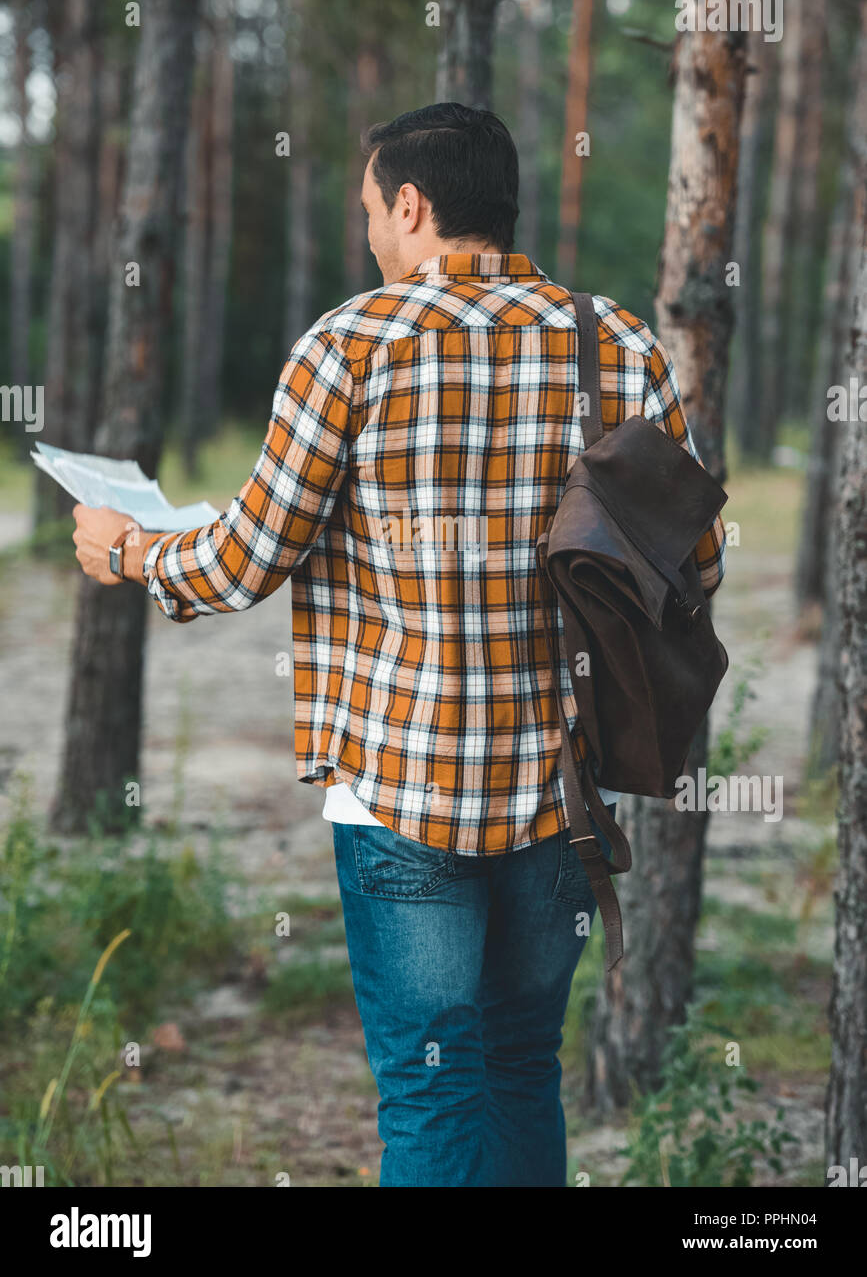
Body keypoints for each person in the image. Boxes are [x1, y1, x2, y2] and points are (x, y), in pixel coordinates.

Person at [72, 101, 726, 1187]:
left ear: (412, 204)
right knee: (522, 1067)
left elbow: (244, 558)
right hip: (562, 789)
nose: (369, 227)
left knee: (430, 1084)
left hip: (398, 790)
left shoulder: (349, 345)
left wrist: (131, 550)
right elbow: (689, 565)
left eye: (372, 205)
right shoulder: (616, 342)